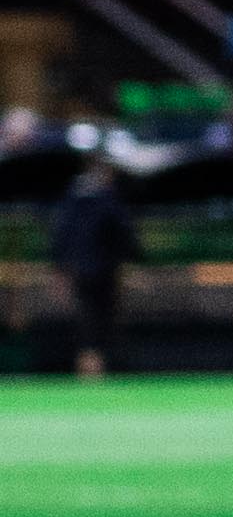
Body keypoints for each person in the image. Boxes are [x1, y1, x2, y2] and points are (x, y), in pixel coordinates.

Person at [48, 155, 136, 379]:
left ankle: (94, 370)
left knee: (91, 321)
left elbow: (60, 237)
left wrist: (59, 268)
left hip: (88, 269)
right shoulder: (106, 198)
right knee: (94, 321)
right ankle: (92, 371)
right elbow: (124, 234)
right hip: (98, 270)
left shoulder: (74, 197)